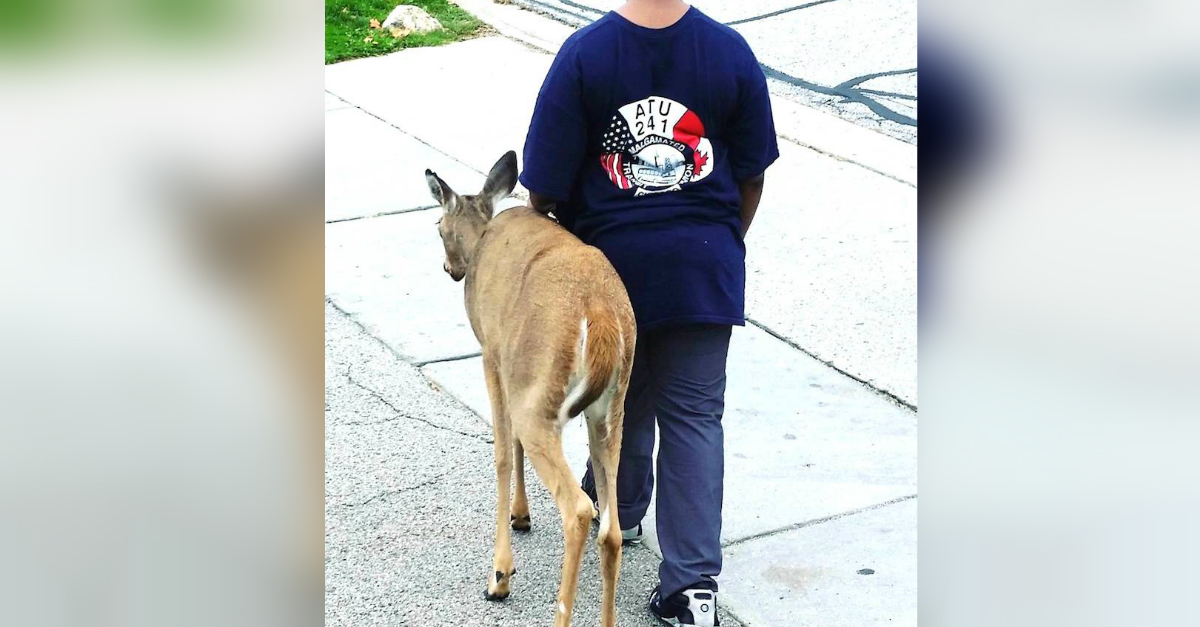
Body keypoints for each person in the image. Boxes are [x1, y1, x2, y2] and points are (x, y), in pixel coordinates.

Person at [519, 1, 778, 625]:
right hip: (703, 262)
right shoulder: (728, 52)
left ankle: (620, 509)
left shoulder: (584, 55)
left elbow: (543, 189)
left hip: (610, 266)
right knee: (694, 414)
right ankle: (691, 589)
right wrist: (716, 241)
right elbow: (752, 175)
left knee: (616, 397)